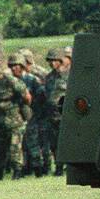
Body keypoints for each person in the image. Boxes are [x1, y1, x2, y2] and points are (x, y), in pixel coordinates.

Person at [0, 57, 31, 179]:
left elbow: (27, 96)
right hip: (0, 119)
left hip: (14, 119)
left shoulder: (11, 81)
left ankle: (17, 171)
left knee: (15, 147)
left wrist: (21, 107)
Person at [43, 48, 68, 176]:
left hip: (65, 114)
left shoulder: (69, 75)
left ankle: (66, 167)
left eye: (55, 60)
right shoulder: (48, 77)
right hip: (51, 114)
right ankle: (58, 167)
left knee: (65, 142)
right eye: (50, 61)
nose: (52, 63)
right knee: (53, 143)